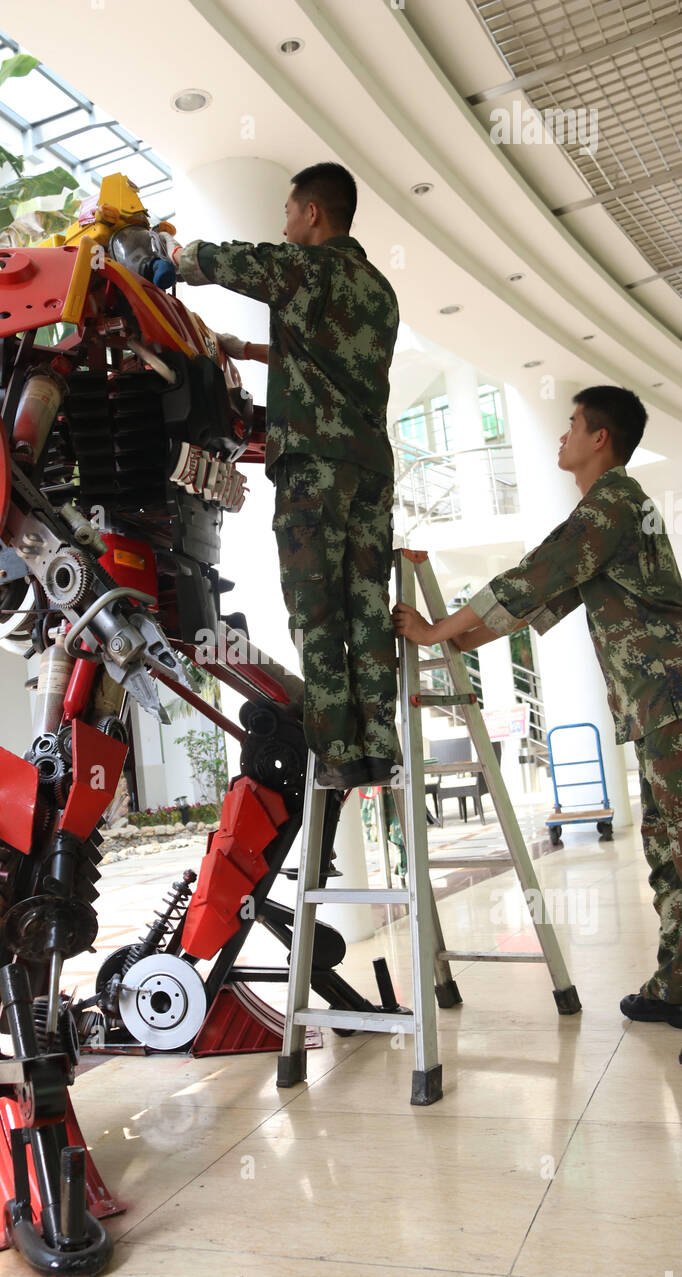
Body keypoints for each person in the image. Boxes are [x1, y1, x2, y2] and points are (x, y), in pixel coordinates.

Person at [393, 385, 682, 1030]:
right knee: (666, 842)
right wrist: (461, 638)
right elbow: (546, 600)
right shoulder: (610, 515)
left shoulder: (612, 505)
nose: (562, 436)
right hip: (656, 705)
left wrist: (439, 634)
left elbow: (537, 574)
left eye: (572, 425)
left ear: (599, 439)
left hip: (671, 699)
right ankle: (675, 982)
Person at [162, 162, 401, 790]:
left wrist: (178, 259)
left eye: (290, 211)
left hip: (313, 472)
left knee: (315, 611)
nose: (285, 223)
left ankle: (339, 757)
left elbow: (243, 261)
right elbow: (333, 356)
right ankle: (381, 745)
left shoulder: (308, 268)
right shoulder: (378, 291)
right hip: (370, 470)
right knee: (368, 609)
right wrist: (250, 351)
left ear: (313, 212)